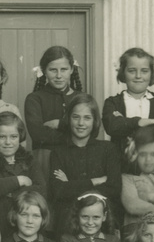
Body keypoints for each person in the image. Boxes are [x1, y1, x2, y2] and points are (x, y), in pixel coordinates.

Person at [102, 47, 154, 225]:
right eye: (132, 70)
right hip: (123, 168)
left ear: (151, 74)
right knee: (125, 219)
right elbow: (112, 127)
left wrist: (126, 122)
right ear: (123, 73)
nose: (138, 76)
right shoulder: (113, 102)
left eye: (144, 71)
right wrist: (142, 122)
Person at [49, 93, 123, 231]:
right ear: (68, 119)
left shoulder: (108, 149)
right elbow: (58, 191)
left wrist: (70, 185)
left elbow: (113, 189)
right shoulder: (58, 152)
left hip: (101, 227)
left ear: (95, 120)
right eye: (76, 117)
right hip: (67, 226)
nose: (81, 123)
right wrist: (94, 181)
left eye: (87, 118)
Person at [0, 111, 47, 236]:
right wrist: (19, 180)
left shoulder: (30, 160)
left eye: (13, 137)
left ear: (20, 136)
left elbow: (41, 190)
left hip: (26, 226)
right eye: (2, 137)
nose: (8, 142)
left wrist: (7, 192)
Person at [24, 45, 81, 177]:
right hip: (45, 160)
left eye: (64, 69)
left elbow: (93, 130)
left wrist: (60, 124)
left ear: (72, 69)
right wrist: (75, 135)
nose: (59, 75)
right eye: (53, 70)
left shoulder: (82, 98)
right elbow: (38, 134)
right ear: (44, 71)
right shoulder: (34, 99)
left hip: (77, 159)